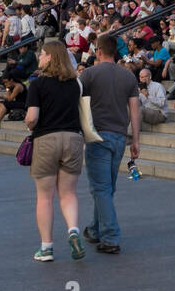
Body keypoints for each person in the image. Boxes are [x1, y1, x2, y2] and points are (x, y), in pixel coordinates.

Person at [24, 39, 86, 264]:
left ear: (50, 57)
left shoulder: (38, 84)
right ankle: (73, 231)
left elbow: (32, 117)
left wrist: (28, 125)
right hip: (73, 138)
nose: (39, 57)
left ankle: (47, 247)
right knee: (68, 193)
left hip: (47, 139)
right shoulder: (75, 84)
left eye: (41, 54)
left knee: (45, 197)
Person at [79, 33, 141, 254]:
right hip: (118, 137)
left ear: (98, 51)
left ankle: (111, 236)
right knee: (107, 188)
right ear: (115, 51)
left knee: (101, 188)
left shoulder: (89, 74)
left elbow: (75, 99)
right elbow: (135, 109)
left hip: (97, 136)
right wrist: (135, 139)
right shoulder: (128, 77)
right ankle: (95, 230)